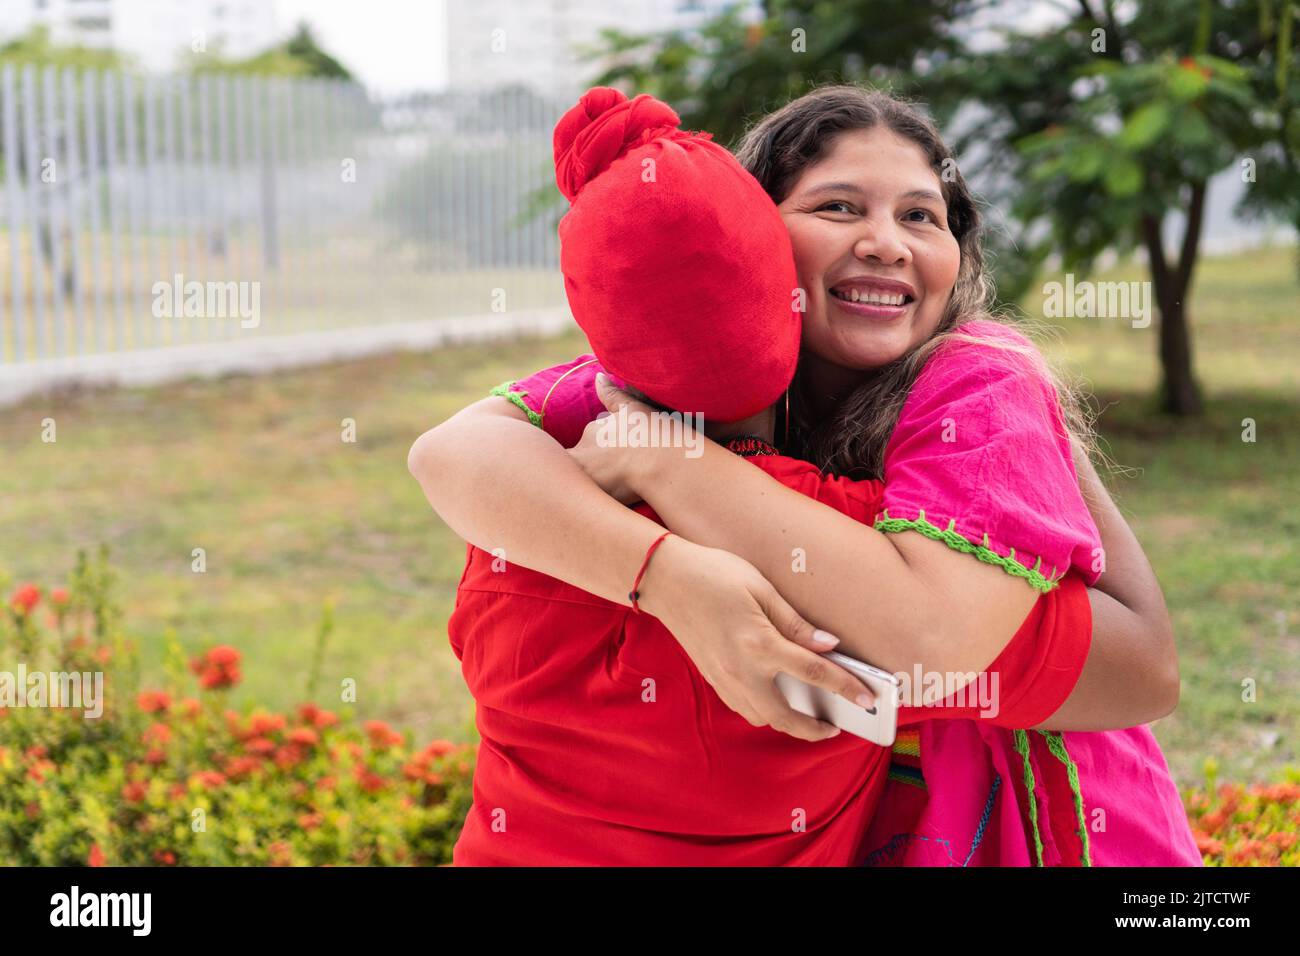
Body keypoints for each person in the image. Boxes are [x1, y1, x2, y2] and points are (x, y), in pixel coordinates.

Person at [413, 87, 1197, 865]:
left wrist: (665, 459)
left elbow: (938, 638)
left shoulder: (979, 383)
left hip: (1045, 832)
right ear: (753, 233)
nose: (887, 242)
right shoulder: (706, 379)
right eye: (838, 208)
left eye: (922, 216)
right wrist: (672, 579)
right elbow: (453, 453)